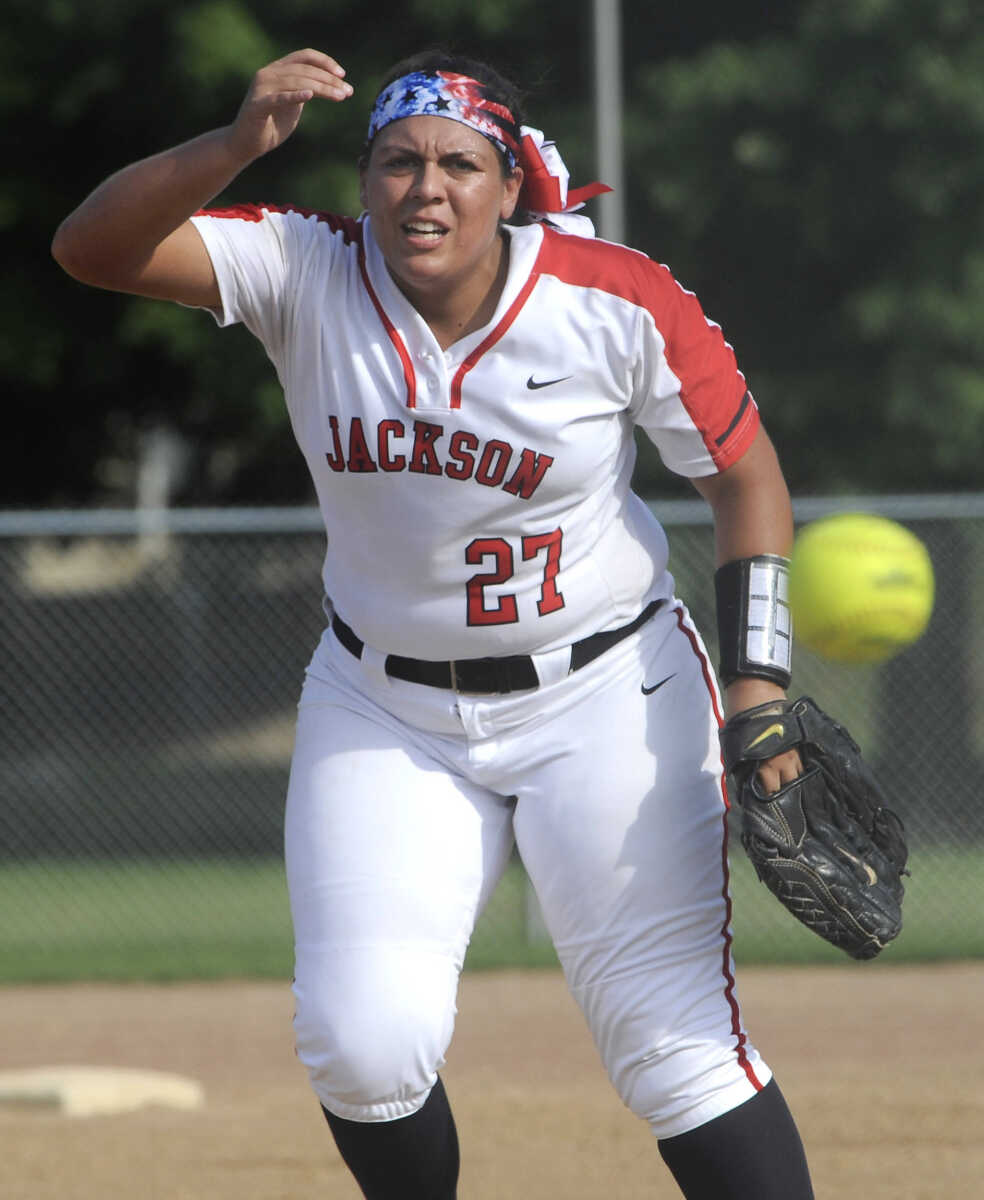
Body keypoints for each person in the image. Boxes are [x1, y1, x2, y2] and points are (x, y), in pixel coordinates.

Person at [52, 46, 815, 1199]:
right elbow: (91, 250)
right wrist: (230, 146)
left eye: (459, 163)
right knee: (361, 1046)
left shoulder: (609, 297)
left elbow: (745, 480)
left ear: (509, 185)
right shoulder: (303, 268)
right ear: (365, 180)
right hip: (384, 703)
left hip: (606, 691)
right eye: (398, 161)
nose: (426, 188)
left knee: (673, 1049)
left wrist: (756, 698)